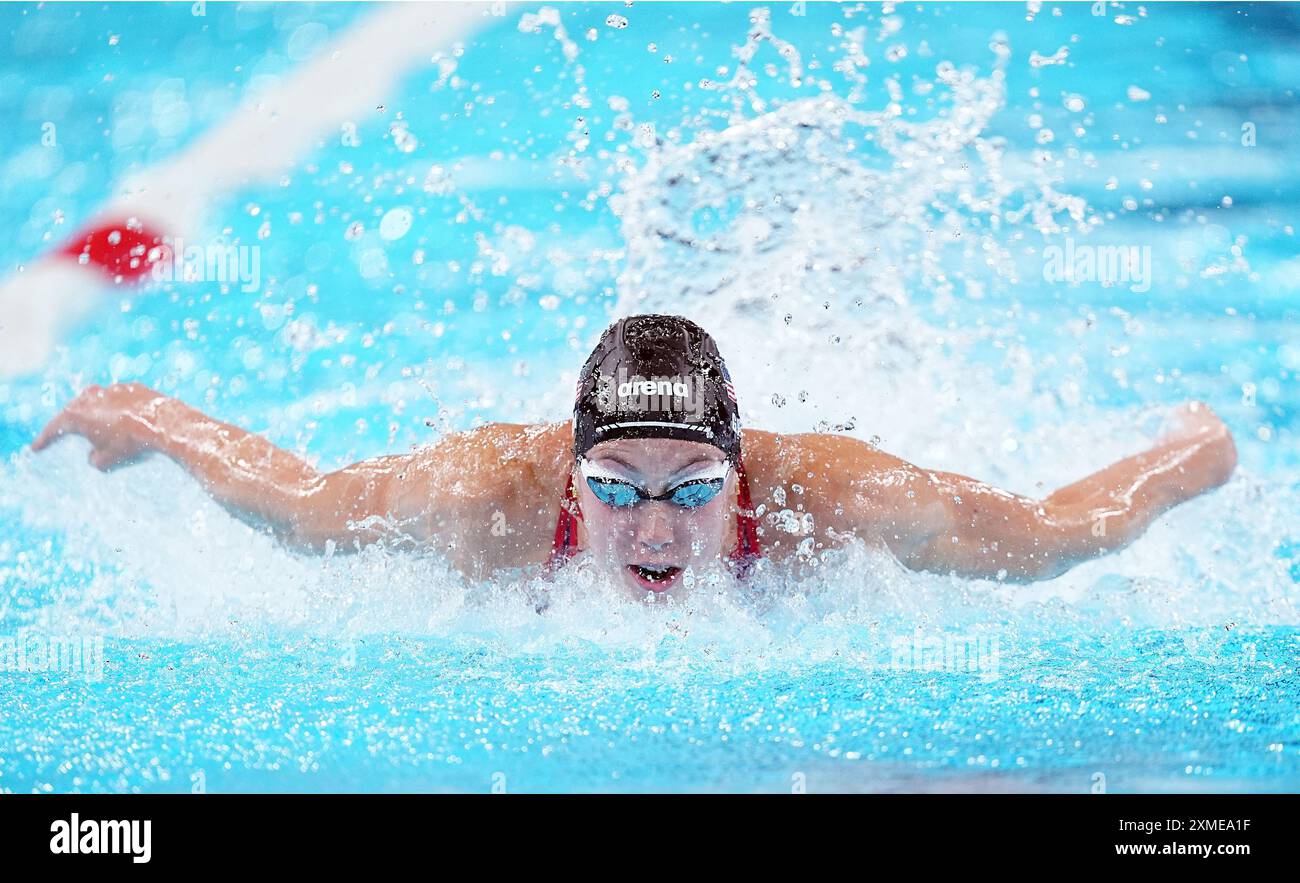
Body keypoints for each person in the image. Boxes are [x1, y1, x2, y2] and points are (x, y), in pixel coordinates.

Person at [30, 314, 1238, 596]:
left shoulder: (843, 501)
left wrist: (1187, 458)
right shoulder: (480, 493)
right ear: (566, 476)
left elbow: (1048, 534)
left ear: (741, 473)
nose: (653, 529)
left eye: (692, 490)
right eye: (613, 490)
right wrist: (152, 420)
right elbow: (300, 500)